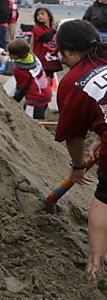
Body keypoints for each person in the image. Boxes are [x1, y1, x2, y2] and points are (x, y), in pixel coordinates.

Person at [52, 19, 107, 285]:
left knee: (104, 201)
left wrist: (77, 166)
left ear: (68, 51)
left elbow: (74, 135)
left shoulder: (74, 81)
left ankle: (94, 268)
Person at [7, 39, 53, 119]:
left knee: (30, 121)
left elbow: (22, 87)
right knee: (39, 117)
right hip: (46, 92)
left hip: (35, 98)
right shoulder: (32, 57)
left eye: (11, 53)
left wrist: (14, 100)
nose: (8, 55)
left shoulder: (20, 69)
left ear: (19, 55)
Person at [32, 6, 61, 73]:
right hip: (41, 58)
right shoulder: (37, 28)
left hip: (52, 57)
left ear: (49, 16)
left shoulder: (51, 29)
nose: (40, 16)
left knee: (51, 76)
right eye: (37, 15)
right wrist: (54, 29)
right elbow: (45, 38)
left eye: (42, 14)